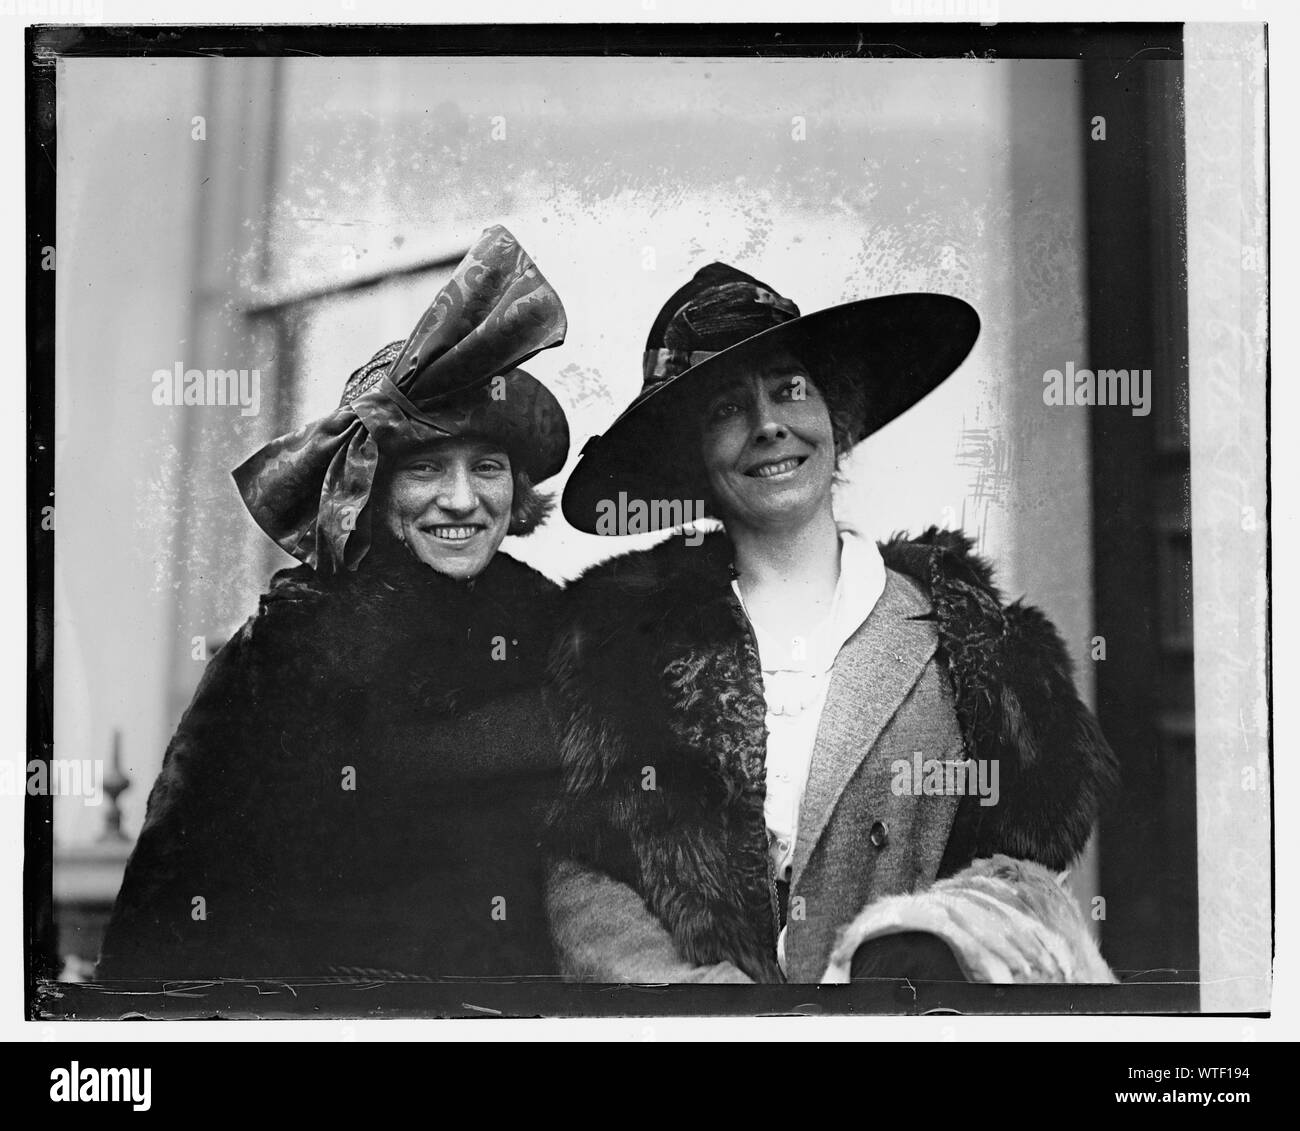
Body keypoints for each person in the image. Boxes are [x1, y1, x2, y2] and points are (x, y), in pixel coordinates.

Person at [544, 262, 1119, 984]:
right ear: (691, 455)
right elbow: (588, 877)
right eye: (727, 408)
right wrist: (712, 1011)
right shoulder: (620, 647)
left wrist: (914, 952)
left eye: (790, 389)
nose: (768, 425)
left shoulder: (966, 641)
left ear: (835, 414)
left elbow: (1018, 876)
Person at [97, 226, 571, 981]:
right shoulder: (285, 649)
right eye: (424, 469)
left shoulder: (556, 633)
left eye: (486, 466)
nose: (461, 499)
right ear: (372, 489)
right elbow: (171, 907)